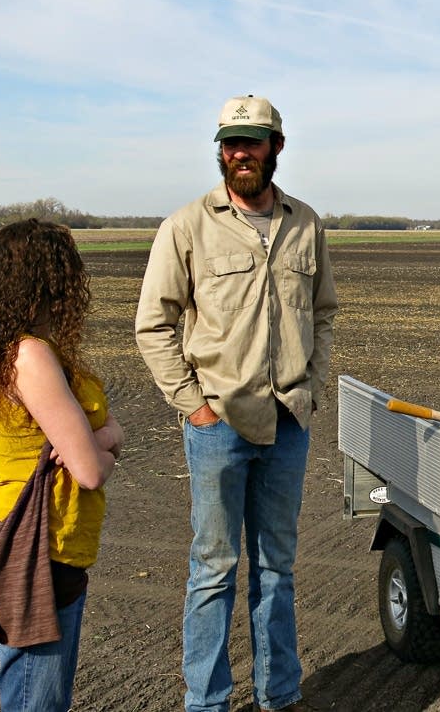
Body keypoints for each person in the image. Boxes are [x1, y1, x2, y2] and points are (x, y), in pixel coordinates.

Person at [135, 94, 338, 712]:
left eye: (251, 142)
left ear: (276, 147)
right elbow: (153, 325)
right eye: (229, 143)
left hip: (288, 423)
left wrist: (314, 383)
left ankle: (280, 696)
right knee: (214, 570)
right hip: (218, 423)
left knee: (277, 569)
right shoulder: (187, 226)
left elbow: (324, 314)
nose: (238, 153)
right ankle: (208, 702)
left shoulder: (305, 224)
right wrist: (193, 405)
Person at [0, 219, 123, 711]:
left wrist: (103, 438)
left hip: (29, 545)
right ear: (50, 281)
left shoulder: (3, 351)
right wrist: (109, 440)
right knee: (36, 701)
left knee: (34, 695)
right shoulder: (31, 356)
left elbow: (85, 449)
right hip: (41, 550)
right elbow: (89, 470)